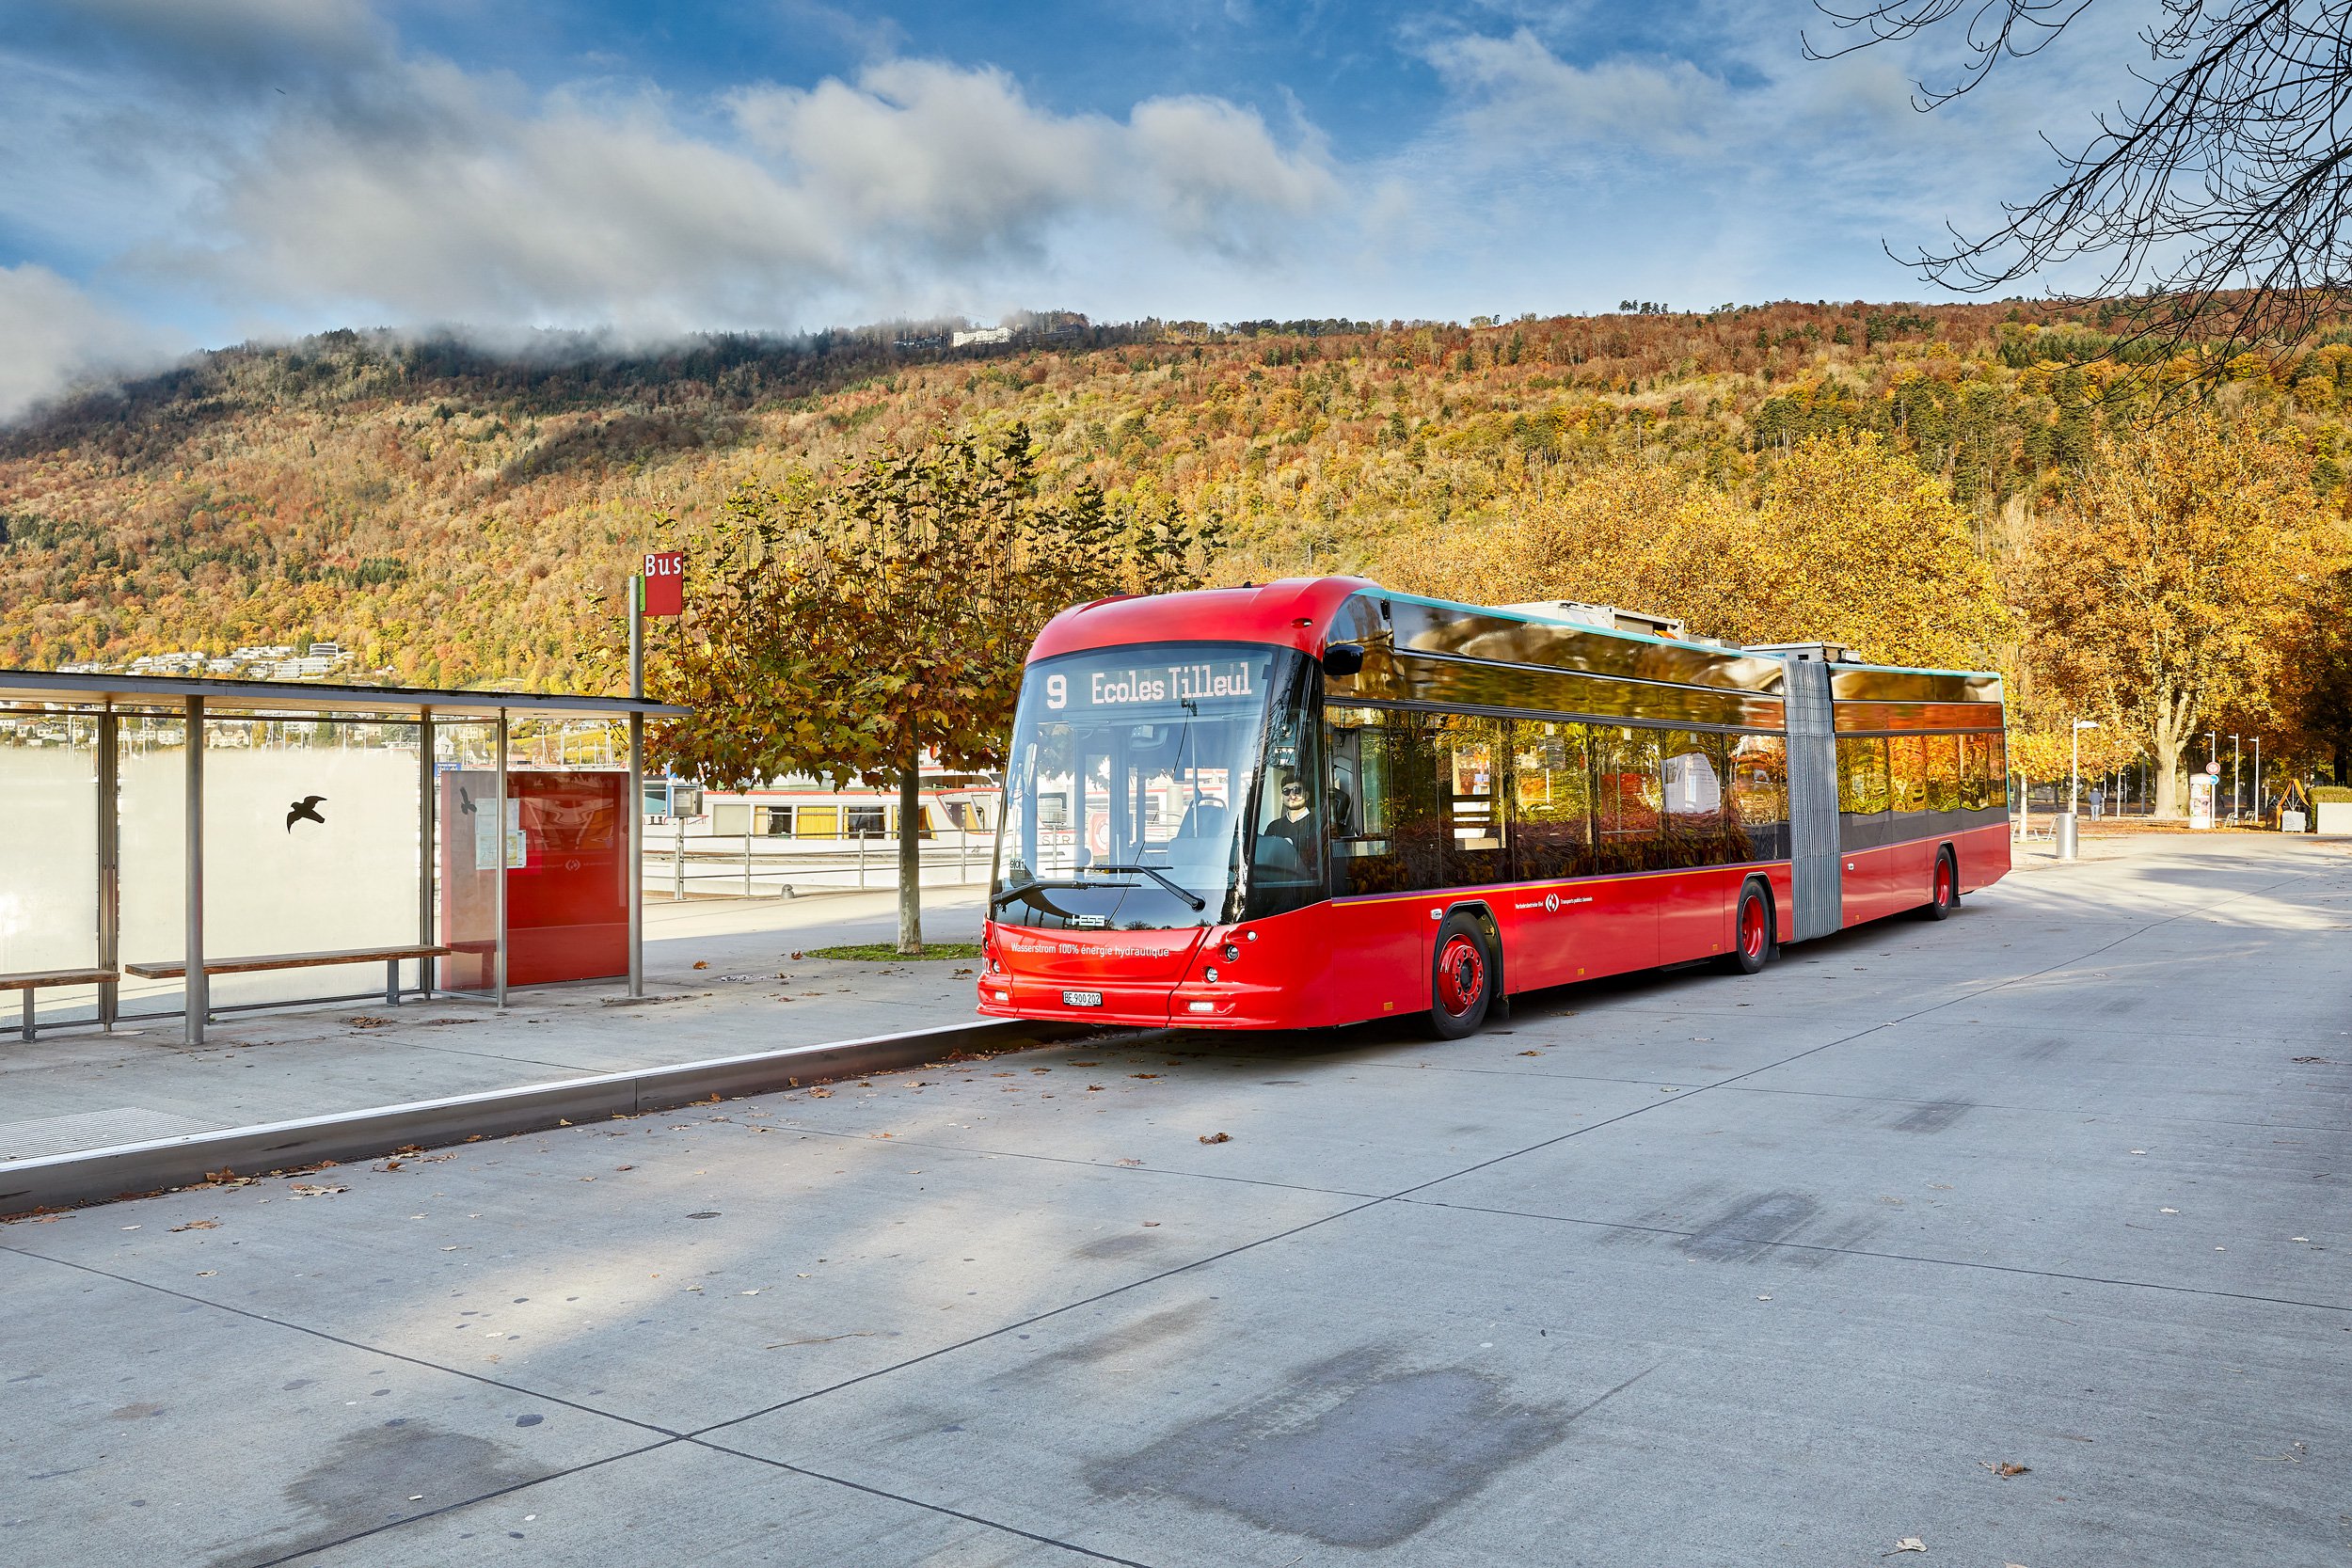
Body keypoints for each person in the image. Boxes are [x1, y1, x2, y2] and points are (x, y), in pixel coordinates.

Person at [1262, 772, 1322, 871]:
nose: (1292, 795)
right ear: (1282, 797)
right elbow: (1266, 855)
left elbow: (1315, 851)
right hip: (1278, 881)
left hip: (1309, 881)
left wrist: (1282, 844)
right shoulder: (1273, 827)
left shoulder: (1318, 822)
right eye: (1286, 791)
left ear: (1306, 795)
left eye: (1297, 790)